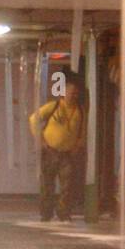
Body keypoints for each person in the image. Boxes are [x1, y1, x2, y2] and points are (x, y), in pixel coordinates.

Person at [29, 73, 86, 222]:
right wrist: (40, 139)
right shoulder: (54, 106)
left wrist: (78, 146)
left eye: (76, 94)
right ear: (64, 93)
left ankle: (64, 213)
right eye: (71, 93)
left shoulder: (80, 111)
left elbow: (83, 131)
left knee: (67, 186)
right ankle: (46, 213)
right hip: (50, 151)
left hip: (67, 154)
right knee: (47, 184)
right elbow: (34, 118)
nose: (73, 96)